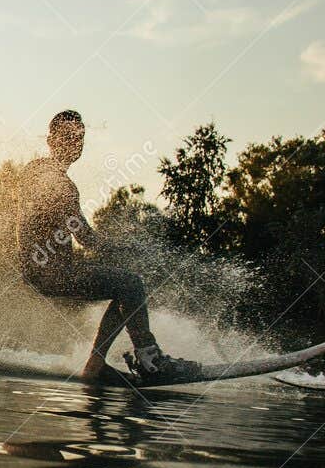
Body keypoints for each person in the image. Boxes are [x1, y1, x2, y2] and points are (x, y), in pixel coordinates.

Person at [17, 110, 199, 383]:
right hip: (49, 272)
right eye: (67, 136)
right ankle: (150, 359)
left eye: (79, 138)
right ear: (51, 140)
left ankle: (95, 365)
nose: (74, 143)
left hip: (42, 269)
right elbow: (86, 239)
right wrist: (132, 249)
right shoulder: (53, 179)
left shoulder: (41, 172)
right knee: (131, 284)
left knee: (124, 289)